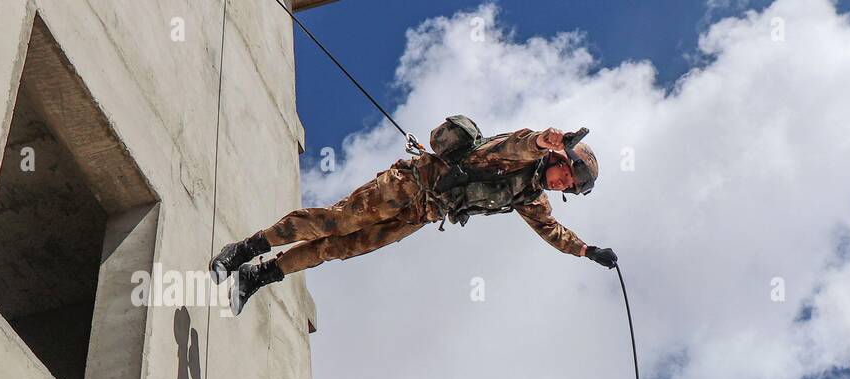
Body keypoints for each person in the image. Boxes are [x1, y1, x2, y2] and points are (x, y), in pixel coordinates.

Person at [211, 121, 618, 314]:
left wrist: (587, 250)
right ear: (558, 157)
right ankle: (244, 250)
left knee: (340, 248)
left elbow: (551, 231)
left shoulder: (531, 196)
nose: (563, 182)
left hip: (421, 214)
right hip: (407, 185)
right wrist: (546, 140)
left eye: (570, 185)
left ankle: (257, 276)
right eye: (567, 172)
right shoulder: (520, 152)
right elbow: (524, 143)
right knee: (334, 222)